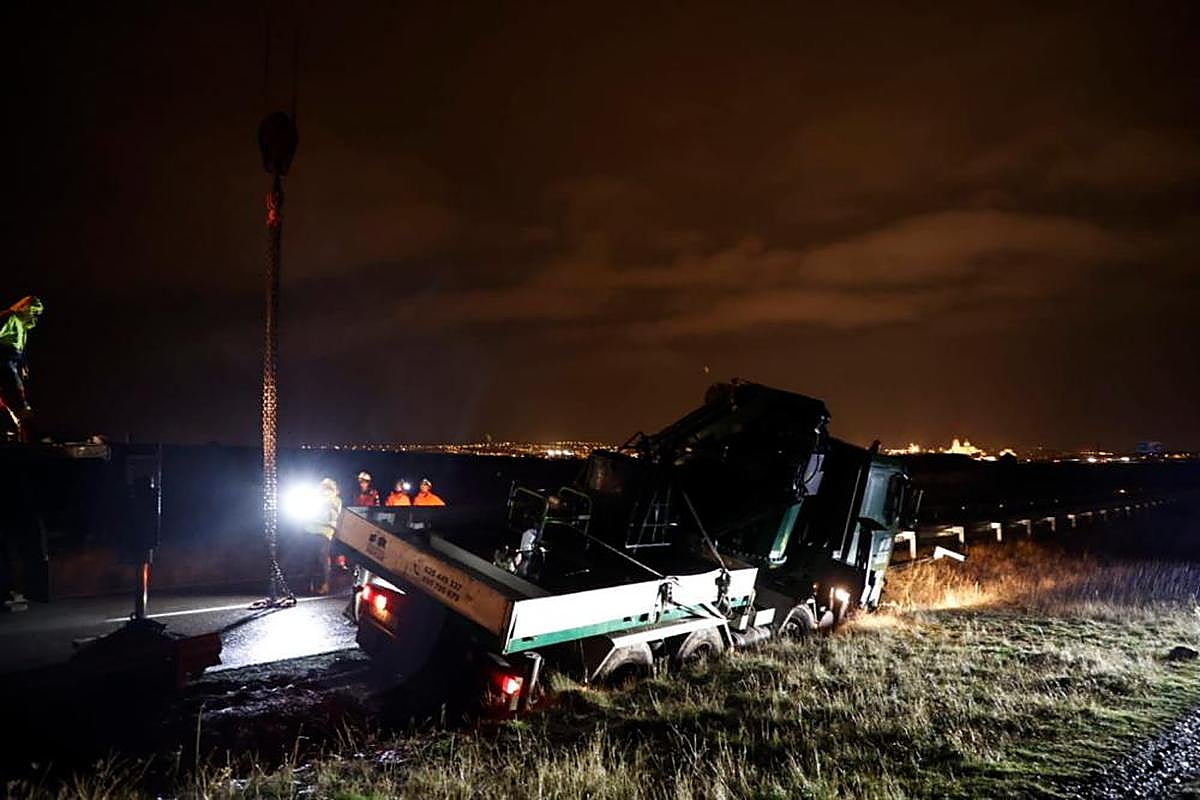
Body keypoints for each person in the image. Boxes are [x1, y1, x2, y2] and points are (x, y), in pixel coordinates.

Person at [0, 296, 44, 442]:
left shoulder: (22, 326)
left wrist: (23, 364)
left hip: (11, 363)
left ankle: (25, 434)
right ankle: (29, 434)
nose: (35, 317)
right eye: (34, 312)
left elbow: (20, 347)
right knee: (16, 397)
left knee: (11, 398)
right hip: (3, 361)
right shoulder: (10, 316)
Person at [304, 478, 341, 594]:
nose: (325, 491)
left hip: (325, 531)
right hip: (312, 529)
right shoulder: (316, 498)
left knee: (321, 558)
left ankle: (324, 584)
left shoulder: (335, 501)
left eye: (327, 488)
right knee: (312, 558)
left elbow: (334, 515)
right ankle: (309, 584)